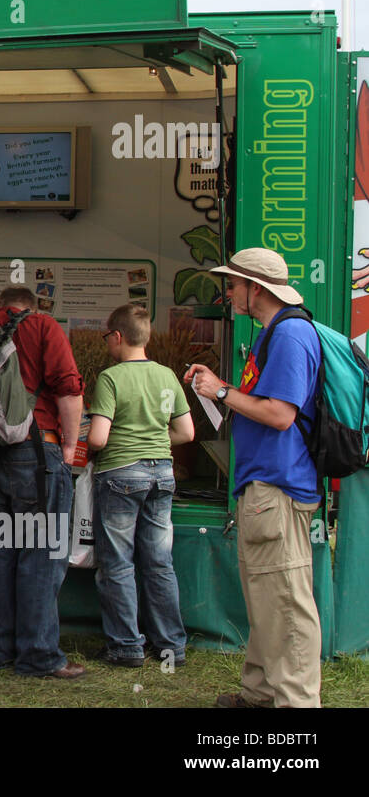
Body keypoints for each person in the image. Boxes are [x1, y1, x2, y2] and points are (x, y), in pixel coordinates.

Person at [185, 248, 322, 708]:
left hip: (277, 490)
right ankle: (262, 696)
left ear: (255, 289)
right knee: (268, 601)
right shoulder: (274, 333)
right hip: (266, 488)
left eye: (234, 284)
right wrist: (222, 388)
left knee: (285, 607)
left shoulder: (289, 335)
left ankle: (296, 706)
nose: (229, 292)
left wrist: (223, 392)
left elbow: (281, 415)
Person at [0, 286, 85, 678]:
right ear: (31, 307)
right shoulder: (42, 326)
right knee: (39, 554)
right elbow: (69, 389)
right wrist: (69, 447)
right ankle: (37, 656)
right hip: (35, 451)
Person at [85, 304, 194, 668]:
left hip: (120, 474)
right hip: (162, 473)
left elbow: (98, 439)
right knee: (159, 564)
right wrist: (151, 438)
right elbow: (186, 432)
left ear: (117, 337)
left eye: (107, 338)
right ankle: (170, 648)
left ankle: (126, 647)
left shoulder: (111, 378)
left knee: (117, 565)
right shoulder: (167, 376)